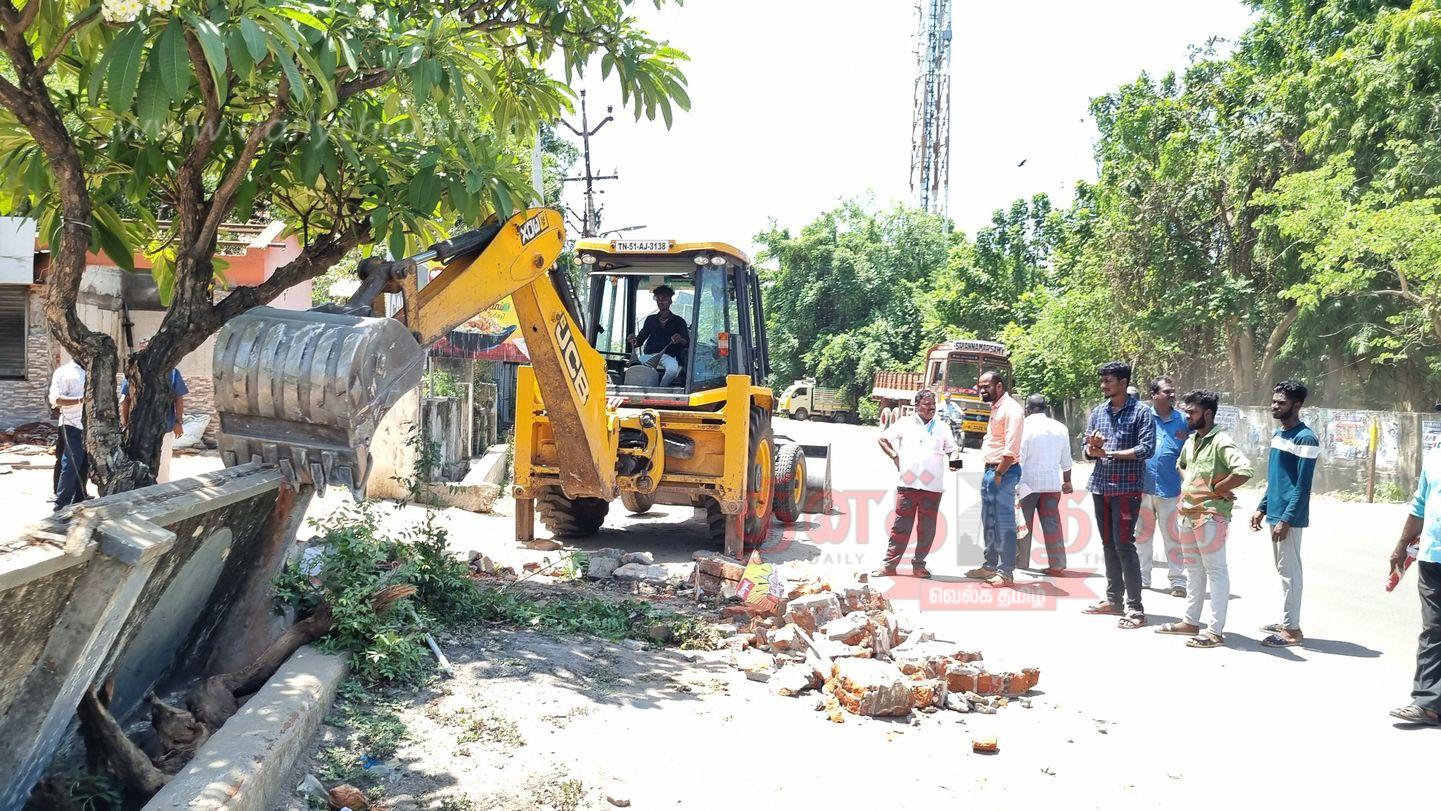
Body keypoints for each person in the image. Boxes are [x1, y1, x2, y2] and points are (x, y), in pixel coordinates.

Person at [1155, 389, 1252, 649]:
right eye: (1186, 411)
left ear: (1207, 414)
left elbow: (1244, 470)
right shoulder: (1193, 440)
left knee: (1215, 570)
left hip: (1210, 516)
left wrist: (1217, 489)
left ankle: (1215, 631)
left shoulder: (1221, 441)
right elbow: (1180, 464)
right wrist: (1192, 484)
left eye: (1192, 412)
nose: (1187, 416)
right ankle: (1190, 621)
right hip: (1187, 513)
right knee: (1194, 570)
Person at [1081, 361, 1155, 629]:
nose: (1103, 386)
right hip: (1100, 487)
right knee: (1108, 545)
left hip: (1127, 489)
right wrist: (1092, 448)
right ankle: (1114, 600)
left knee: (1124, 545)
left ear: (1123, 383)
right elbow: (1085, 450)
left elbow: (1146, 449)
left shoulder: (1141, 413)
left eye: (1108, 381)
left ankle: (1136, 608)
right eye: (1102, 381)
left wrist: (1108, 453)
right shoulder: (1099, 412)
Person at [1249, 379, 1319, 648]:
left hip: (1288, 517)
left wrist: (1286, 519)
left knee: (1290, 572)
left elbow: (1302, 486)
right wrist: (1261, 506)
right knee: (1283, 569)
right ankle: (1286, 620)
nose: (1274, 406)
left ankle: (1292, 630)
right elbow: (1275, 478)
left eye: (1281, 403)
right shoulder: (1279, 435)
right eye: (1274, 401)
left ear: (1297, 405)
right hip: (1275, 513)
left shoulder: (1306, 438)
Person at [874, 389, 958, 579]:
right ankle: (890, 565)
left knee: (927, 529)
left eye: (933, 404)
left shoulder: (942, 427)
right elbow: (882, 438)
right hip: (908, 485)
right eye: (927, 404)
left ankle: (919, 565)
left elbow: (953, 450)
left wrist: (955, 462)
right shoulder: (905, 424)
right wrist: (894, 456)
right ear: (917, 405)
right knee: (900, 526)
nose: (931, 407)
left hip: (933, 488)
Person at [1388, 445, 1441, 725]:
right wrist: (1400, 547)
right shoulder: (1435, 455)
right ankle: (1426, 703)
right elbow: (1420, 505)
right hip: (1432, 557)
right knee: (1433, 629)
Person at [965, 371, 1025, 586]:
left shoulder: (1012, 410)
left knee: (1004, 522)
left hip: (1004, 472)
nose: (982, 390)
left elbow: (1010, 450)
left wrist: (998, 474)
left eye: (986, 386)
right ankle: (990, 565)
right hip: (992, 470)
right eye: (980, 386)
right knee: (989, 520)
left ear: (999, 386)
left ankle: (1006, 572)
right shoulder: (996, 407)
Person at [1137, 376, 1190, 597]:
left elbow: (1191, 452)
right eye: (1166, 391)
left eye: (1172, 391)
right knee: (1142, 535)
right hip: (1143, 486)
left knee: (1173, 535)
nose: (1171, 394)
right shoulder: (1142, 417)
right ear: (1154, 395)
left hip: (1171, 488)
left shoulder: (1183, 421)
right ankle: (1142, 577)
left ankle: (1177, 581)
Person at [1016, 394, 1072, 576]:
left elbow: (1020, 458)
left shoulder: (1024, 427)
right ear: (1046, 408)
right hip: (1052, 485)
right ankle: (1057, 564)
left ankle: (1021, 561)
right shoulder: (1060, 428)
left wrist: (1013, 482)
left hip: (1027, 484)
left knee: (1023, 524)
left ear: (1028, 409)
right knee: (1052, 524)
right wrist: (1067, 481)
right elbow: (1066, 460)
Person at [121, 339, 189, 483]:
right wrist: (125, 424)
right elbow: (126, 400)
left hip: (165, 428)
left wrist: (178, 421)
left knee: (163, 464)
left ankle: (161, 494)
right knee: (138, 464)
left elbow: (178, 398)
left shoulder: (172, 372)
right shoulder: (134, 372)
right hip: (138, 429)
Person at [48, 357, 89, 510]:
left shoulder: (92, 370)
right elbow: (56, 399)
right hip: (72, 424)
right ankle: (61, 503)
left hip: (89, 426)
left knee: (84, 464)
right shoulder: (64, 372)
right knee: (71, 464)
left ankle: (80, 498)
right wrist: (81, 400)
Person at [628, 285, 688, 386]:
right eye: (658, 299)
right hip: (649, 356)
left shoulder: (679, 321)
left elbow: (687, 342)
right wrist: (633, 340)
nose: (660, 302)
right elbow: (640, 340)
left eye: (664, 299)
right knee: (634, 368)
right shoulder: (650, 320)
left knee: (672, 370)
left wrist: (680, 339)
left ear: (670, 301)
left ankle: (660, 389)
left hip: (668, 356)